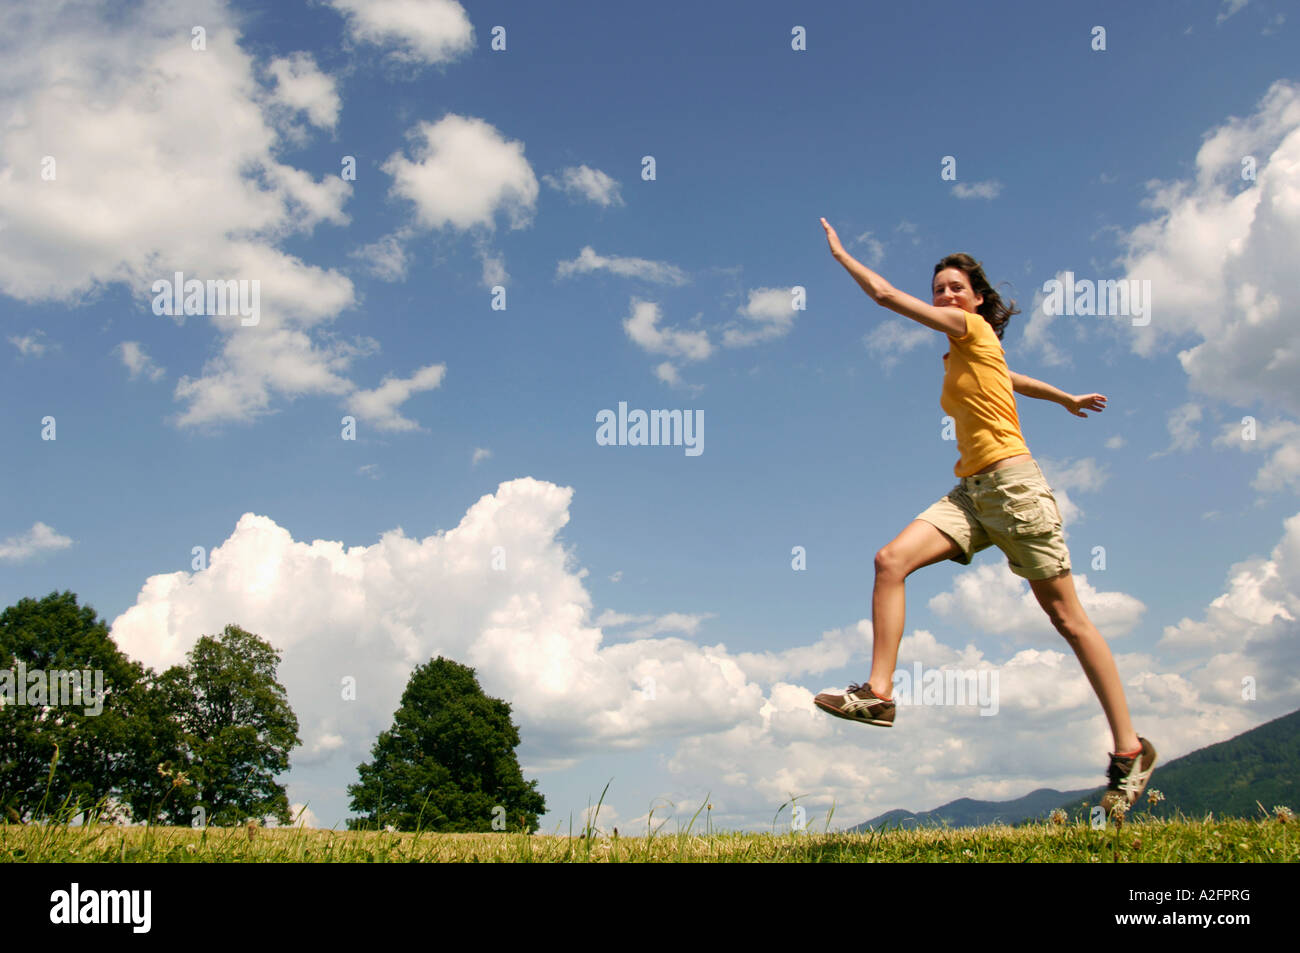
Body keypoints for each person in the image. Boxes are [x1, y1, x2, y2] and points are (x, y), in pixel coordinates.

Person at [812, 217, 1155, 815]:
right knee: (890, 560)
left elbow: (888, 296)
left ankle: (1130, 751)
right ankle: (879, 694)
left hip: (1015, 490)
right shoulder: (967, 352)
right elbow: (1015, 380)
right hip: (972, 495)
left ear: (976, 300)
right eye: (939, 287)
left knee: (1069, 620)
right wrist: (1067, 396)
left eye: (954, 288)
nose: (945, 295)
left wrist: (844, 257)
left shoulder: (971, 329)